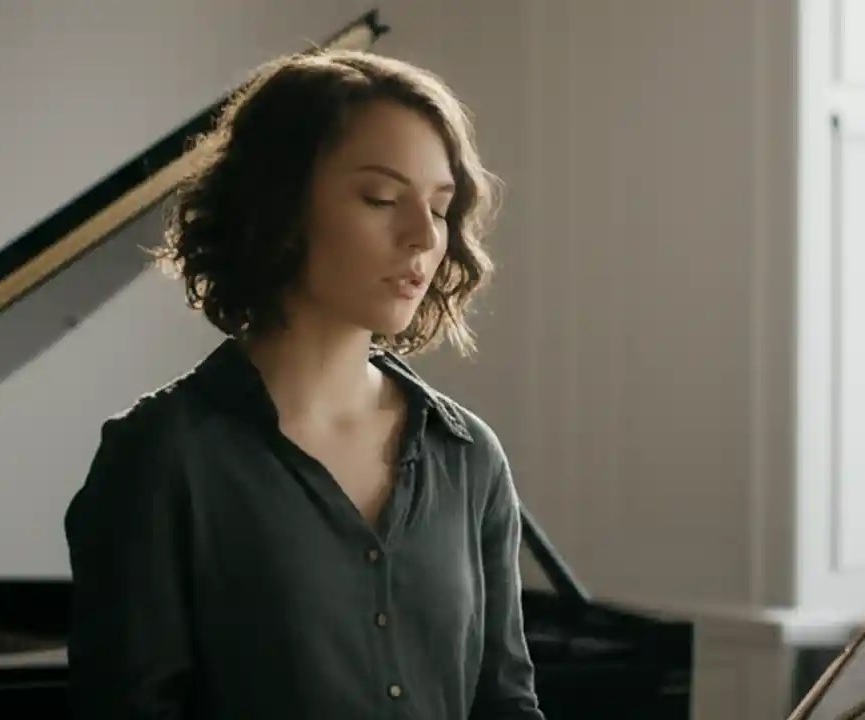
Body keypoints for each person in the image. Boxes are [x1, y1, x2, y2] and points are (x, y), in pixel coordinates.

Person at [63, 48, 545, 719]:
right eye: (381, 198)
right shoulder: (161, 458)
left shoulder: (468, 456)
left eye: (439, 207)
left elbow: (505, 702)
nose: (422, 237)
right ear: (281, 204)